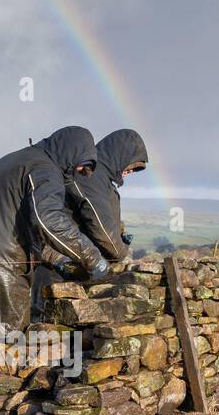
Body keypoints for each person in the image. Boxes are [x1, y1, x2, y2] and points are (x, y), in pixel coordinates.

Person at [0, 127, 109, 365]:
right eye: (80, 165)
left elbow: (15, 225)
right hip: (3, 274)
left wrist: (56, 260)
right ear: (71, 152)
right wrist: (91, 256)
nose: (78, 172)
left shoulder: (8, 162)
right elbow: (48, 219)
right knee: (5, 356)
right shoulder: (44, 170)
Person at [32, 129, 147, 317]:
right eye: (131, 166)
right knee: (48, 326)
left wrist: (119, 236)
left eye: (135, 169)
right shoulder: (92, 177)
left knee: (66, 333)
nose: (130, 171)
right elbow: (100, 225)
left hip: (77, 262)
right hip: (61, 266)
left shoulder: (102, 178)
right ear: (119, 156)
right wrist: (119, 253)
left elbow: (102, 222)